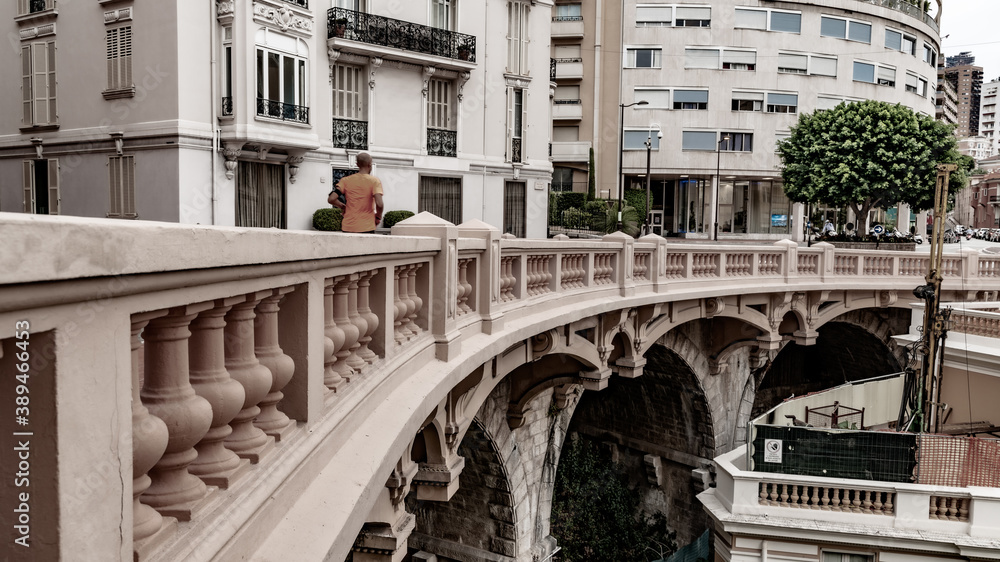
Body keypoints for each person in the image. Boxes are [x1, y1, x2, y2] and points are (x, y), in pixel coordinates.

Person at [329, 152, 384, 233]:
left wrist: (342, 206)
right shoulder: (374, 181)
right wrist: (378, 217)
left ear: (357, 164)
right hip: (366, 226)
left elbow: (331, 199)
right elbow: (379, 204)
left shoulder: (345, 180)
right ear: (370, 165)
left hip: (348, 227)